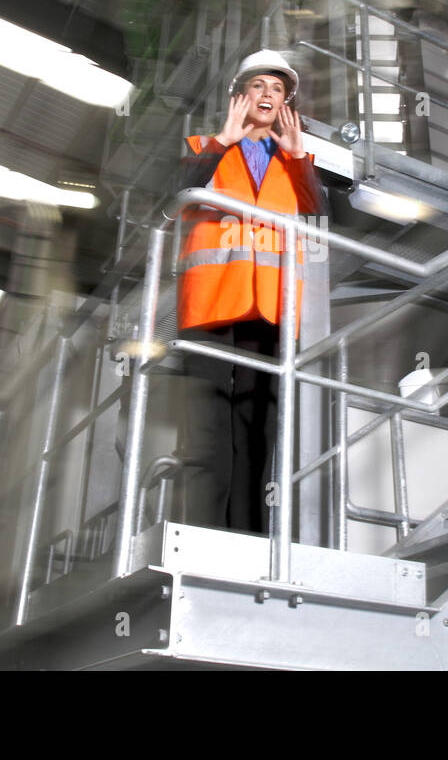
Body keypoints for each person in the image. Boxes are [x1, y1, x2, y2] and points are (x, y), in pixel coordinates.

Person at [172, 51, 327, 534]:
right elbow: (171, 198)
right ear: (241, 95)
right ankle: (200, 534)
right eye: (258, 86)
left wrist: (300, 157)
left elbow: (319, 220)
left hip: (272, 310)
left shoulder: (296, 163)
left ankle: (251, 539)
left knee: (259, 430)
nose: (267, 95)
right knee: (206, 430)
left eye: (277, 89)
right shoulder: (204, 147)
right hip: (211, 303)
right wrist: (222, 142)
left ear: (286, 104)